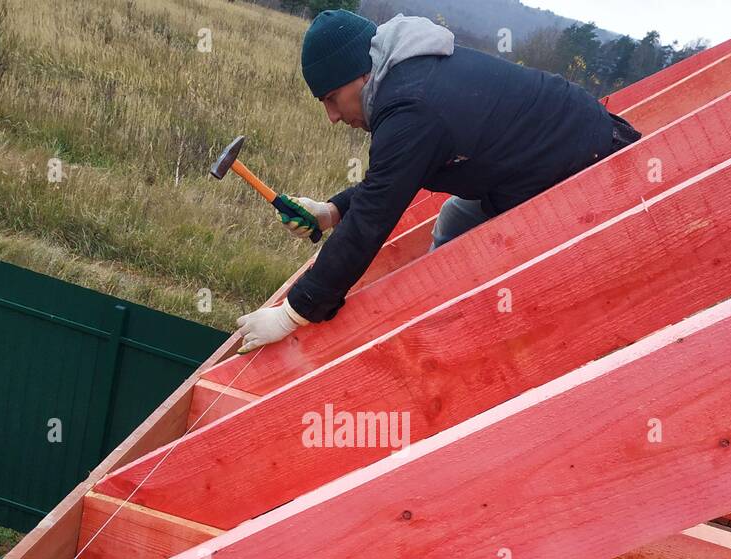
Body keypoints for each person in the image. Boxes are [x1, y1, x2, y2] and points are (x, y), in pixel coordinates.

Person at [235, 9, 641, 353]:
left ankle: (446, 340)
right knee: (453, 221)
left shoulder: (411, 107)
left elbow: (372, 220)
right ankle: (436, 313)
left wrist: (294, 313)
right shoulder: (409, 73)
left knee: (489, 279)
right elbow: (394, 176)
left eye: (331, 99)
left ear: (359, 76)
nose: (333, 117)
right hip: (559, 148)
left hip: (587, 167)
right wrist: (331, 211)